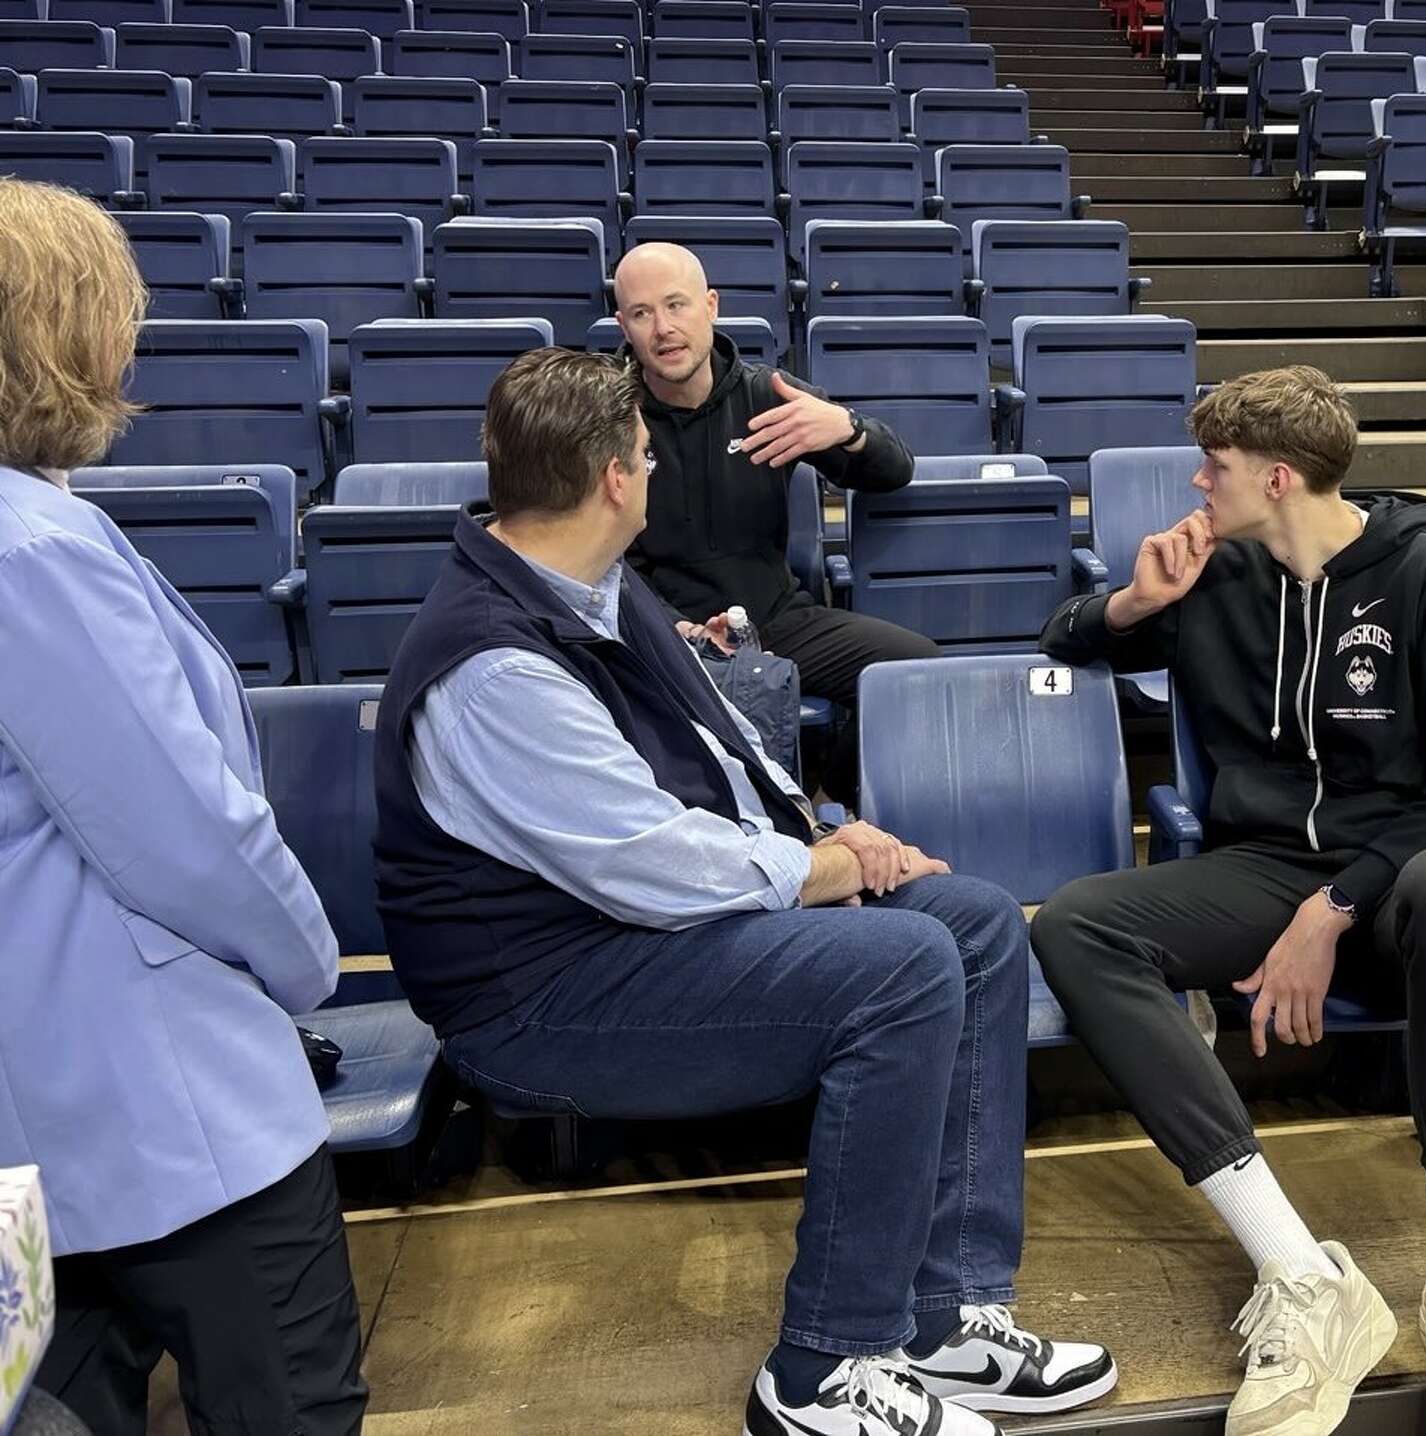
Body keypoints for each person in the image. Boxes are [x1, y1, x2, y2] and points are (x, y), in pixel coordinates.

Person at [372, 347, 1116, 1436]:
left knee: (977, 923)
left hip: (622, 938)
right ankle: (823, 1365)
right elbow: (651, 864)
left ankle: (945, 1315)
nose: (651, 469)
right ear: (615, 479)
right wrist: (829, 871)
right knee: (905, 968)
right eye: (643, 455)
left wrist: (821, 830)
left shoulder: (590, 582)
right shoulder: (495, 665)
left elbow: (721, 749)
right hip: (536, 995)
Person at [1029, 367, 1426, 1436]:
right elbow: (1064, 638)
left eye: (1213, 467)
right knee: (1080, 923)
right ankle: (1303, 1273)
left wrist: (1336, 907)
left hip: (1418, 862)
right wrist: (1136, 602)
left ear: (1276, 478)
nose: (1196, 483)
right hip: (1268, 865)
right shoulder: (1217, 574)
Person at [0, 178, 367, 1435]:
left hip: (44, 1106)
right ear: (62, 330)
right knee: (292, 1409)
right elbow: (188, 834)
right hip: (159, 1098)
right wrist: (307, 962)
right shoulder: (33, 550)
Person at [610, 241, 940, 803]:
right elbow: (593, 558)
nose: (664, 328)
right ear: (623, 325)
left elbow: (895, 470)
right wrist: (674, 628)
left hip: (773, 621)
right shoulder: (609, 413)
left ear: (710, 306)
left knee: (915, 670)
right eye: (642, 313)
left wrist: (849, 428)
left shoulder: (770, 395)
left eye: (676, 305)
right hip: (663, 635)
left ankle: (830, 798)